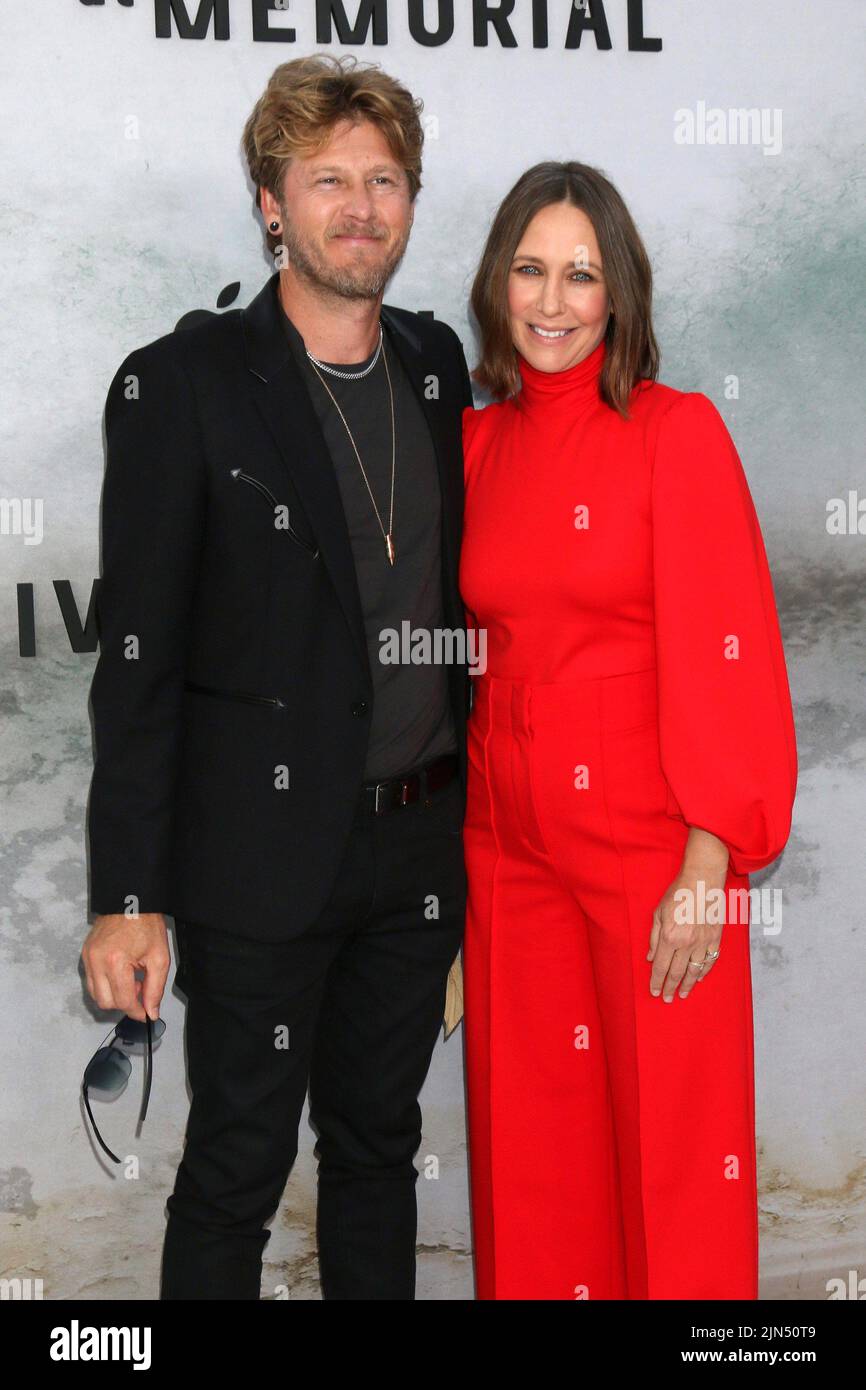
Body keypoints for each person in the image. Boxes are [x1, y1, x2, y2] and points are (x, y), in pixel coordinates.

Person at [82, 54, 473, 1300]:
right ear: (269, 201)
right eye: (326, 181)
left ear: (410, 200)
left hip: (415, 849)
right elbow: (136, 664)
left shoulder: (434, 363)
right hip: (257, 859)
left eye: (385, 180)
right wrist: (128, 893)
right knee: (237, 1166)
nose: (360, 208)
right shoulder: (183, 384)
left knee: (378, 1151)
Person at [459, 161, 798, 1300]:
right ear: (496, 282)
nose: (551, 302)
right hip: (509, 857)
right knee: (532, 1160)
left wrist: (714, 855)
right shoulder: (473, 446)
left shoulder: (674, 432)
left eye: (579, 274)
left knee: (672, 1168)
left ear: (618, 297)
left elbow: (729, 646)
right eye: (529, 270)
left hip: (653, 852)